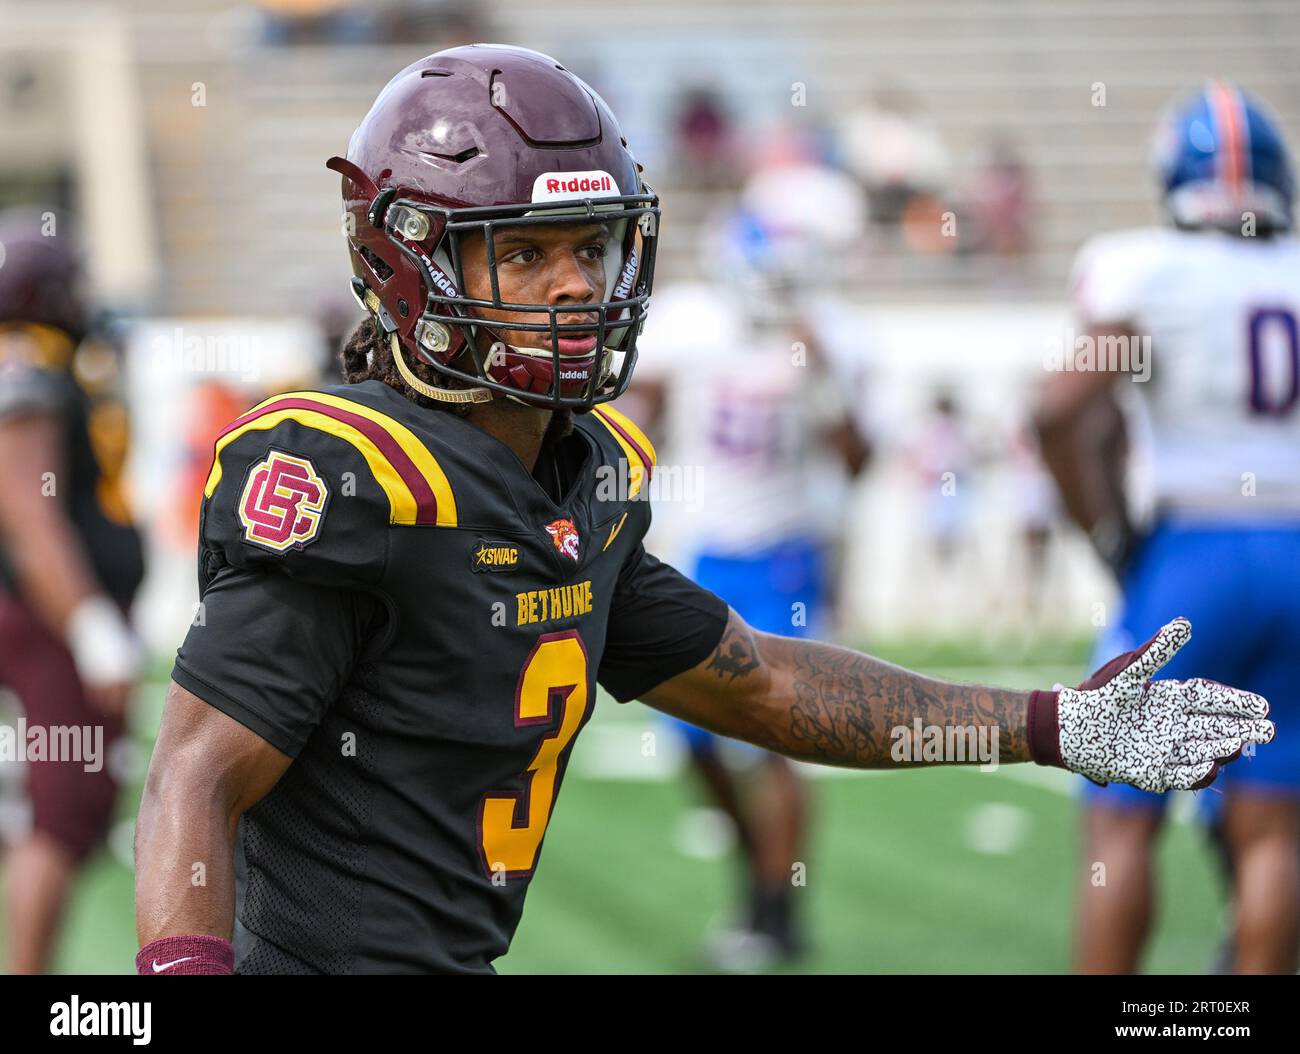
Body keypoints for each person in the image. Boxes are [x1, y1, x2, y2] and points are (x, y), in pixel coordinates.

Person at [134, 46, 1272, 976]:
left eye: (589, 245)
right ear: (405, 265)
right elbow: (196, 774)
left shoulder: (576, 477)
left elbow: (763, 682)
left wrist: (1049, 725)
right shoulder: (362, 478)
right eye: (523, 254)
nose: (575, 284)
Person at [1036, 81, 1300, 974]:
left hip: (1196, 552)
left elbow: (1060, 409)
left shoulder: (1145, 266)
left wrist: (1105, 531)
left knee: (1122, 810)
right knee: (1274, 824)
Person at [629, 162, 872, 969]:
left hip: (787, 557)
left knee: (781, 737)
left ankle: (779, 909)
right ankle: (756, 875)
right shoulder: (693, 328)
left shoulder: (822, 343)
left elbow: (858, 456)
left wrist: (824, 380)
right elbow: (640, 415)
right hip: (704, 554)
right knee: (695, 742)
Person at [0, 210, 145, 972]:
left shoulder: (42, 361)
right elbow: (27, 506)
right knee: (58, 820)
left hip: (35, 612)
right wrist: (90, 624)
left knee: (37, 817)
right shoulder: (26, 360)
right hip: (45, 618)